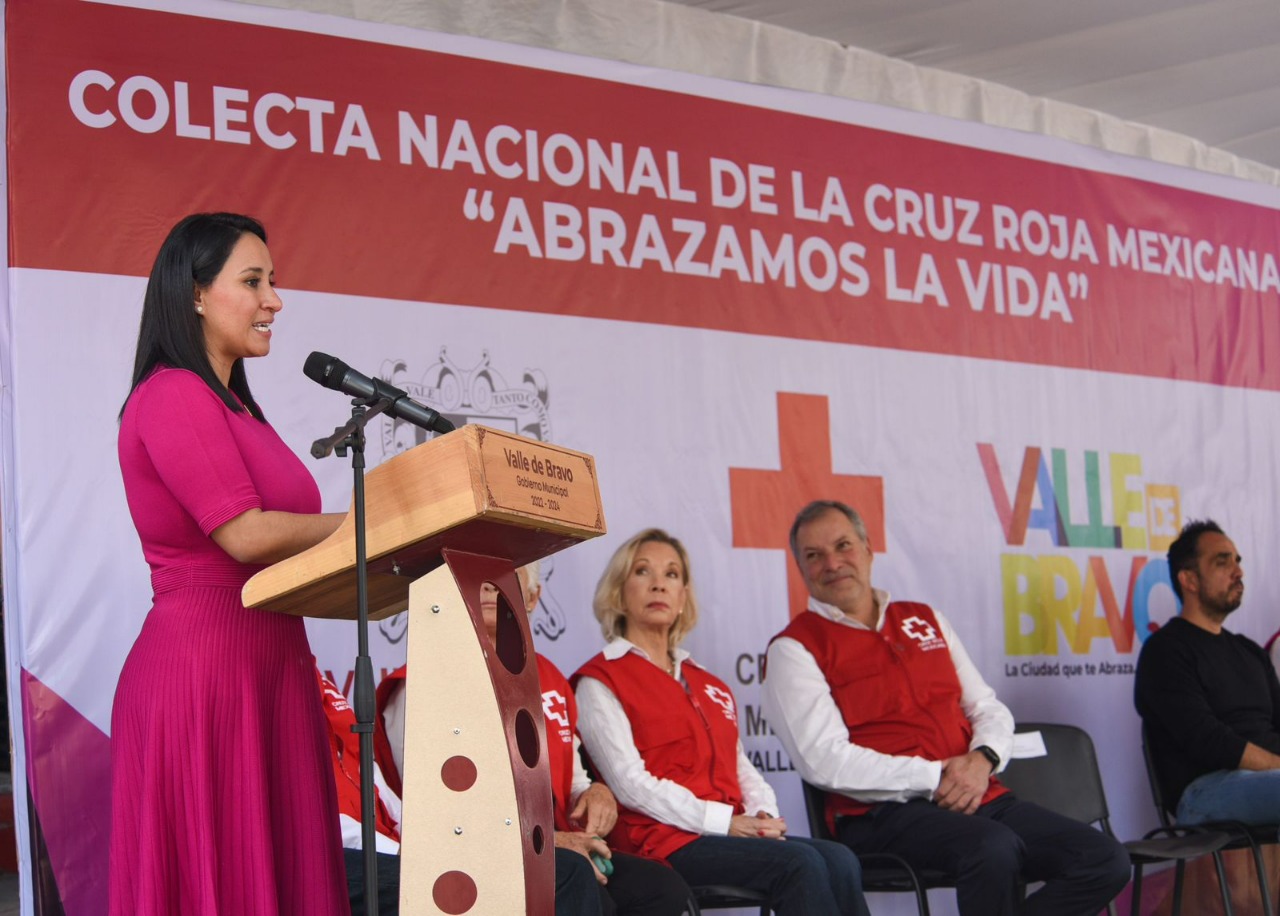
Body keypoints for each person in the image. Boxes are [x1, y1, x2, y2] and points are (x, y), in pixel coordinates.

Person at [109, 213, 349, 914]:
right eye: (253, 281)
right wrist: (374, 524)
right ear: (194, 293)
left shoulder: (236, 407)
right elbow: (243, 535)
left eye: (272, 281)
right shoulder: (173, 392)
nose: (275, 300)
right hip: (207, 676)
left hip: (268, 663)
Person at [762, 500, 1129, 916]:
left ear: (867, 549)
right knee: (992, 847)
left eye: (843, 545)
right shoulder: (793, 648)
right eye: (814, 555)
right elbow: (823, 762)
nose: (832, 563)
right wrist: (936, 777)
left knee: (1103, 859)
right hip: (882, 816)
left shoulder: (925, 619)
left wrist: (983, 759)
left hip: (978, 793)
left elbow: (986, 707)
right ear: (801, 569)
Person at [573, 529, 868, 916]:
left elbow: (741, 768)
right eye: (642, 571)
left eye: (672, 574)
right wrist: (723, 821)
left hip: (725, 832)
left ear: (683, 597)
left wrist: (762, 816)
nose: (659, 584)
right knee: (801, 863)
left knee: (841, 859)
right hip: (660, 842)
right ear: (619, 591)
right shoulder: (599, 680)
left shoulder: (709, 683)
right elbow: (628, 784)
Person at [377, 563, 691, 916]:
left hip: (557, 845)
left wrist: (594, 793)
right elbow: (435, 811)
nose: (489, 585)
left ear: (532, 597)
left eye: (507, 575)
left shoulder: (549, 676)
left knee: (662, 890)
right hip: (473, 854)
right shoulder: (422, 683)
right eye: (476, 576)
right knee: (585, 890)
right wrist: (548, 844)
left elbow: (574, 781)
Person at [1134, 518, 1280, 825]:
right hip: (1205, 790)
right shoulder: (1165, 651)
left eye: (1237, 561)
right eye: (1222, 562)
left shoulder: (1251, 652)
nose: (1238, 572)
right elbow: (1206, 739)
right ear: (1189, 580)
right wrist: (1275, 766)